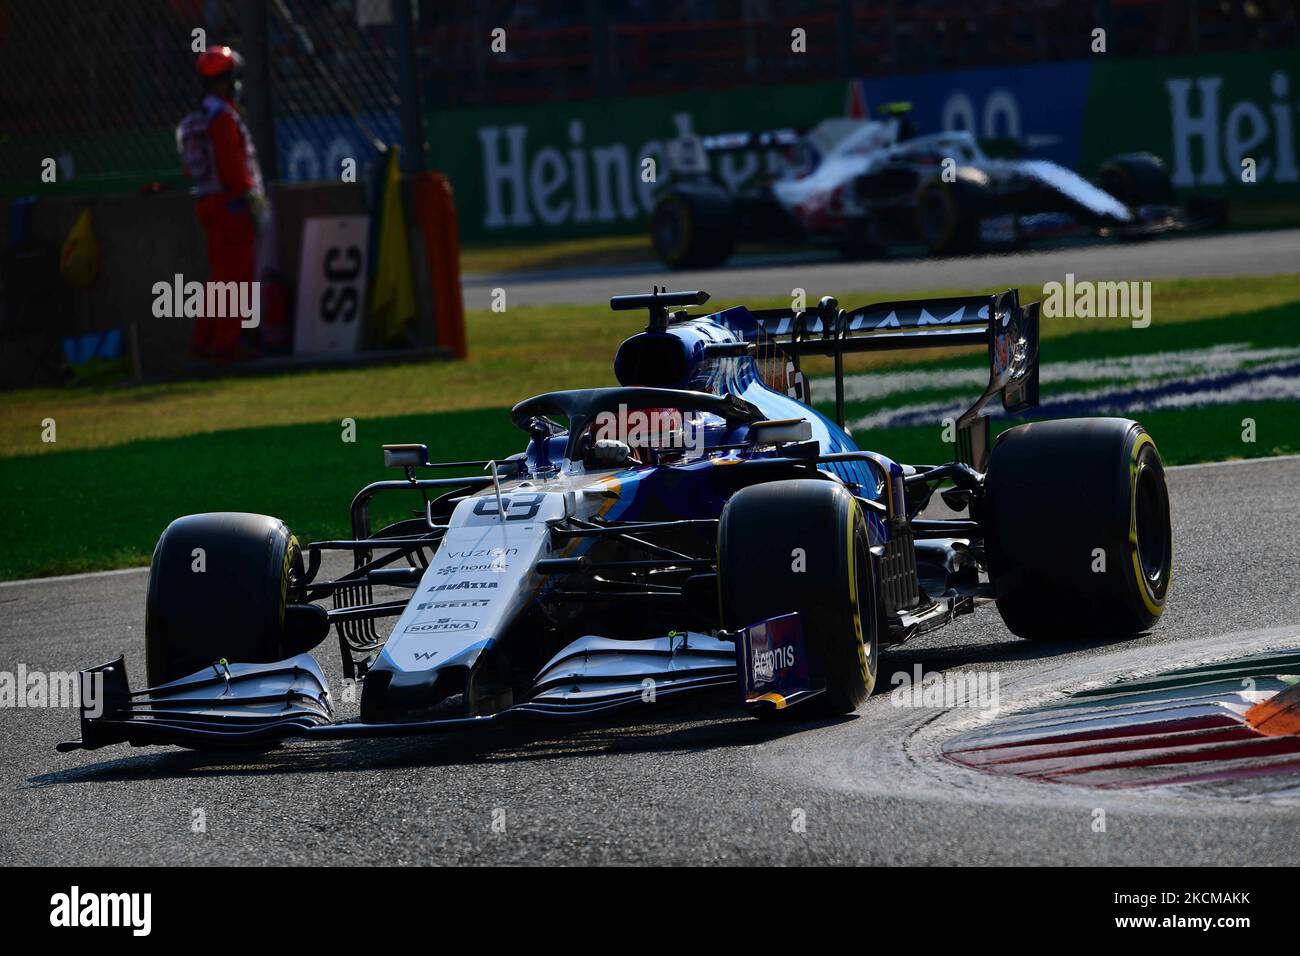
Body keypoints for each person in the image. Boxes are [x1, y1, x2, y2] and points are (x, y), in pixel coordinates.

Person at [175, 45, 269, 361]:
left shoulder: (198, 116)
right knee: (236, 277)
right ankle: (226, 346)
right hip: (230, 204)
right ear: (224, 80)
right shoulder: (222, 118)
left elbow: (192, 168)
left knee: (220, 279)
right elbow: (231, 167)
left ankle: (202, 344)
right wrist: (249, 198)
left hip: (208, 202)